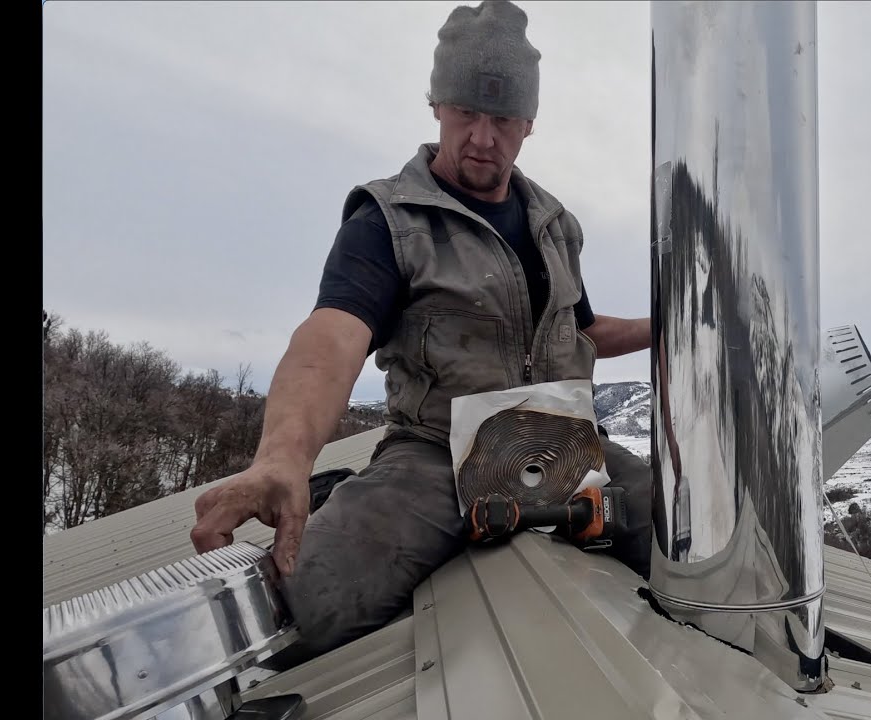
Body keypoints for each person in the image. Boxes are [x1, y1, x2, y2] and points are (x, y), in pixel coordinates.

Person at [189, 0, 654, 668]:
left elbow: (580, 329)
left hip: (562, 447)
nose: (482, 137)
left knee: (693, 534)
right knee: (311, 598)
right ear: (436, 103)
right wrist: (283, 457)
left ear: (529, 122)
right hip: (436, 456)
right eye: (466, 110)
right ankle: (337, 496)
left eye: (501, 118)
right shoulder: (386, 220)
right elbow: (331, 338)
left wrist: (664, 329)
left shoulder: (557, 224)